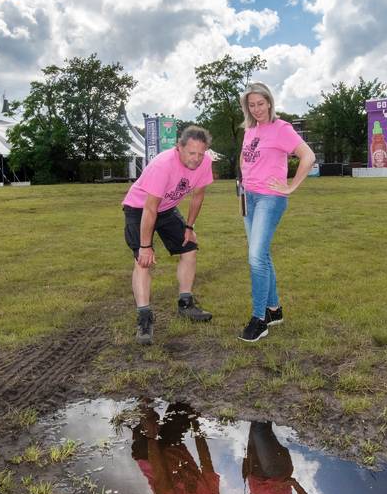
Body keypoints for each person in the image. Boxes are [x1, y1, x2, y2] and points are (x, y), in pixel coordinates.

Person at [237, 83, 316, 342]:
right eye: (252, 105)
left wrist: (291, 185)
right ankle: (274, 310)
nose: (257, 109)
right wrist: (243, 183)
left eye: (261, 103)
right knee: (262, 255)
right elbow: (245, 158)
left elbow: (308, 156)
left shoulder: (282, 128)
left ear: (269, 102)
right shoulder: (250, 129)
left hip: (270, 198)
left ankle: (259, 320)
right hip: (249, 197)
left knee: (256, 258)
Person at [122, 125, 215, 345]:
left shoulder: (205, 162)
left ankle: (186, 305)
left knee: (189, 249)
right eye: (192, 153)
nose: (196, 159)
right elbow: (150, 208)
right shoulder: (163, 165)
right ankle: (144, 318)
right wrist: (145, 246)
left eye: (201, 153)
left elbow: (197, 196)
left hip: (167, 209)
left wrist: (189, 228)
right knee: (142, 262)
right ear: (179, 148)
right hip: (139, 208)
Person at [131, 400, 223, 494]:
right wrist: (195, 424)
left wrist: (151, 437)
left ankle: (140, 423)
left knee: (146, 414)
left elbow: (160, 477)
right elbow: (205, 459)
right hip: (173, 445)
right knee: (185, 405)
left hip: (148, 455)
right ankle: (154, 424)